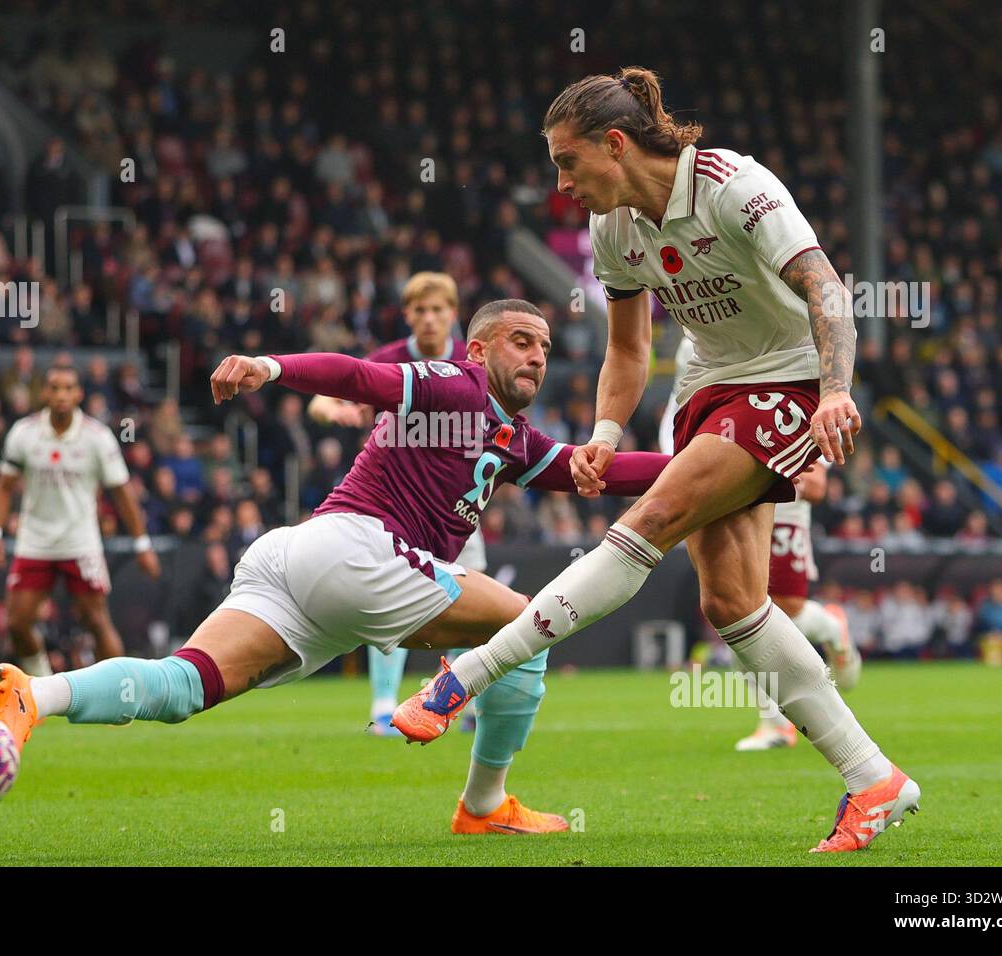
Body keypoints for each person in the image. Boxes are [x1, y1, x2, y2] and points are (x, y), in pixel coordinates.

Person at [393, 67, 919, 853]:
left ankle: (464, 678)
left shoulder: (733, 184)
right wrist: (605, 433)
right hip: (706, 385)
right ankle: (873, 778)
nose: (561, 184)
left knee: (656, 517)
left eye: (568, 163)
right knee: (733, 604)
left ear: (614, 144)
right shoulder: (616, 229)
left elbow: (826, 289)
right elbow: (631, 349)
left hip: (790, 378)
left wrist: (837, 391)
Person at [0, 299, 670, 835]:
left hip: (299, 560)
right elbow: (357, 376)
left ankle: (34, 697)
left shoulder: (514, 438)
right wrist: (271, 366)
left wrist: (720, 471)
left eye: (546, 347)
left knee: (182, 689)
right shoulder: (452, 385)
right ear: (479, 348)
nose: (538, 357)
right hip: (356, 550)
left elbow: (604, 473)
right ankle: (481, 795)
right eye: (523, 342)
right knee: (529, 628)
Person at [660, 338, 861, 751]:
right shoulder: (692, 345)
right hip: (720, 478)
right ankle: (775, 722)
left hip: (782, 480)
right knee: (735, 603)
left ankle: (824, 624)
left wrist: (813, 464)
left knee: (780, 607)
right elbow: (677, 414)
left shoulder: (779, 326)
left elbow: (812, 391)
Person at [308, 271, 483, 735]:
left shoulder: (472, 362)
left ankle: (456, 698)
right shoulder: (389, 359)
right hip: (397, 507)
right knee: (392, 599)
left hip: (459, 506)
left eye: (437, 310)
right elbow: (322, 400)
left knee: (471, 602)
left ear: (453, 314)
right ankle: (385, 705)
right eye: (419, 311)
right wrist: (338, 410)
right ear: (407, 315)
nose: (428, 319)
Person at [0, 363, 160, 675]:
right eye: (54, 388)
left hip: (80, 541)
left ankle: (118, 695)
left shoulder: (97, 437)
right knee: (17, 622)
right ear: (44, 393)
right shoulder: (23, 433)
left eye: (68, 388)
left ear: (79, 393)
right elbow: (4, 487)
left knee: (95, 620)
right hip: (35, 540)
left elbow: (122, 493)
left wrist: (142, 544)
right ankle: (41, 681)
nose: (61, 395)